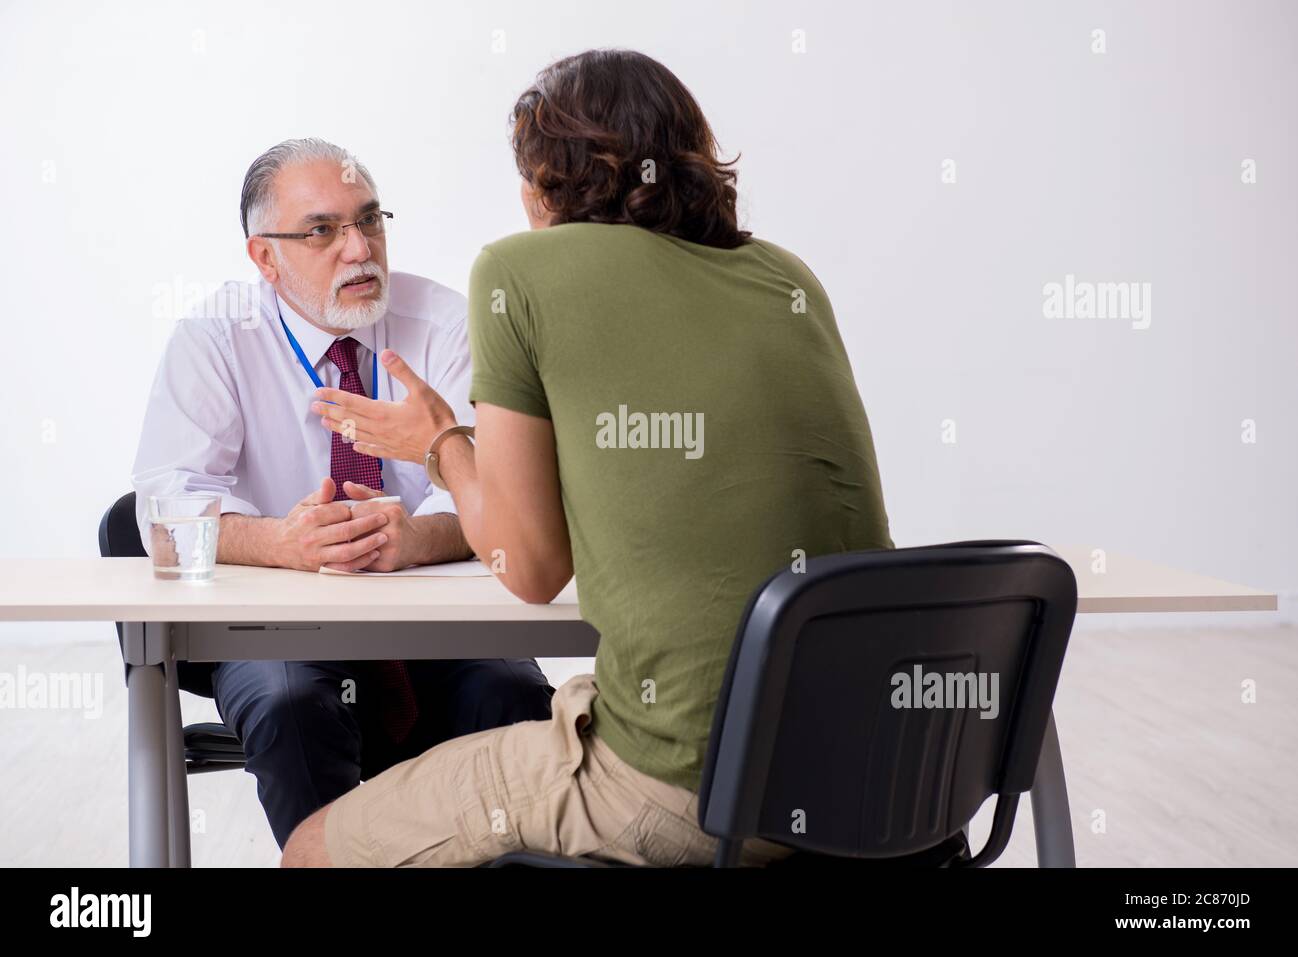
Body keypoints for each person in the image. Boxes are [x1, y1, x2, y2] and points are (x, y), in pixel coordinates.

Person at [282, 51, 893, 867]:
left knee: (313, 847)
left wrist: (439, 443)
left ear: (546, 182)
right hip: (878, 768)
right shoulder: (789, 278)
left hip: (693, 784)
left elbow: (530, 568)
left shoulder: (519, 269)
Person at [130, 138, 554, 848]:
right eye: (322, 230)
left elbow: (503, 492)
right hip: (276, 628)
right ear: (265, 258)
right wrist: (281, 542)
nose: (359, 250)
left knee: (510, 697)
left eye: (370, 220)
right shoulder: (216, 336)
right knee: (291, 704)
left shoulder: (448, 323)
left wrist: (417, 538)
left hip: (434, 620)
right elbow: (163, 513)